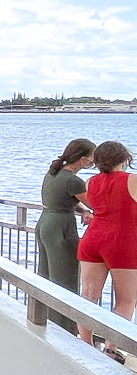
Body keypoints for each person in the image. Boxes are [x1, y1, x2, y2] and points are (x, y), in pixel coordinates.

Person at [76, 140, 137, 359]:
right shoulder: (132, 180)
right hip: (122, 241)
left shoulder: (91, 182)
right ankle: (111, 347)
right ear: (124, 159)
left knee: (88, 295)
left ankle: (85, 343)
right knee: (126, 300)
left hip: (93, 238)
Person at [33, 139, 94, 332]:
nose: (94, 162)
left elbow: (64, 199)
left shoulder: (53, 173)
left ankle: (44, 320)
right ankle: (65, 327)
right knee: (65, 276)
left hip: (45, 222)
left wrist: (82, 210)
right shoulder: (73, 180)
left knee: (46, 273)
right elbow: (97, 205)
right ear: (83, 159)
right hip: (61, 226)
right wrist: (89, 210)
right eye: (92, 158)